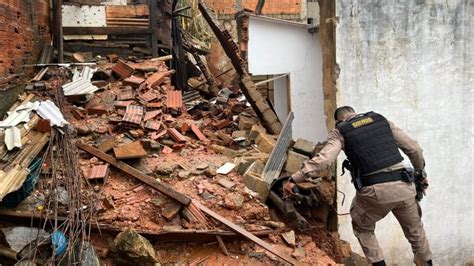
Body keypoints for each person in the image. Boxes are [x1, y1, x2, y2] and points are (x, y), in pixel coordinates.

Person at [284, 106, 432, 266]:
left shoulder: (341, 130)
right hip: (404, 185)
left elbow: (324, 160)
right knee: (415, 231)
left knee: (363, 227)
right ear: (354, 113)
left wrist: (294, 178)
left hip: (375, 191)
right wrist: (420, 173)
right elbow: (414, 149)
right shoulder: (381, 120)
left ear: (338, 121)